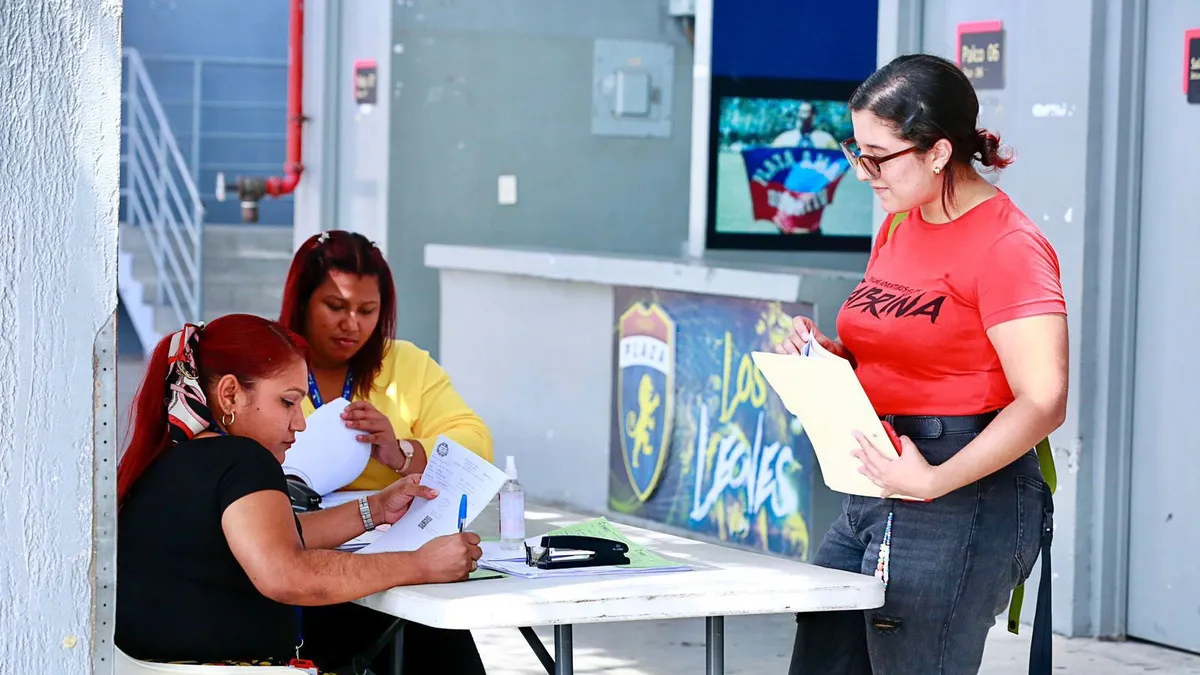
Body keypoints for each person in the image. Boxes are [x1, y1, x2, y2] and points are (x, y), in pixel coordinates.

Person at [783, 53, 1067, 675]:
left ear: (938, 152)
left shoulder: (1008, 246)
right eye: (856, 152)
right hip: (878, 478)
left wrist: (934, 481)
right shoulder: (898, 224)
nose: (863, 173)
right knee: (824, 650)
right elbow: (907, 347)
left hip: (959, 486)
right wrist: (827, 358)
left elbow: (1044, 399)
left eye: (878, 156)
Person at [115, 314, 485, 673]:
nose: (301, 423)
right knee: (429, 640)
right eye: (288, 402)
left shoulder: (168, 459)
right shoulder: (242, 459)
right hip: (237, 669)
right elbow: (287, 574)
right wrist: (420, 564)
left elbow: (271, 536)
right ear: (230, 395)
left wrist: (375, 509)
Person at [277, 230, 494, 674]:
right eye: (335, 307)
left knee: (439, 644)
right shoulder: (267, 364)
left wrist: (402, 453)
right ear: (301, 303)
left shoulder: (406, 364)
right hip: (301, 561)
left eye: (367, 311)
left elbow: (476, 442)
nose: (352, 324)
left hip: (400, 561)